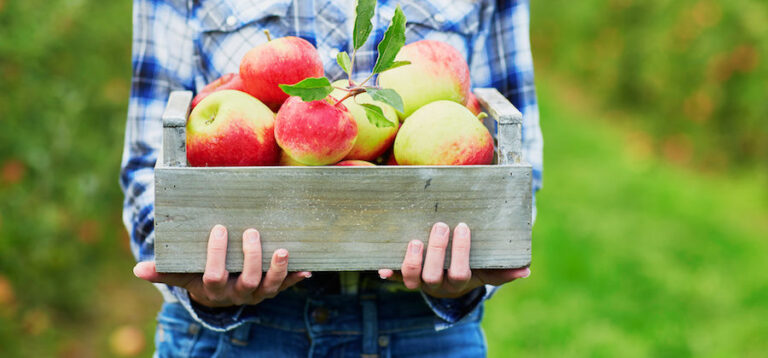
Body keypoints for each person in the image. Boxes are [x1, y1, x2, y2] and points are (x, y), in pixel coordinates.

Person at [121, 0, 543, 356]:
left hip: (422, 328)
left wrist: (471, 273)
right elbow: (148, 157)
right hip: (231, 336)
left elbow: (516, 157)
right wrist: (192, 276)